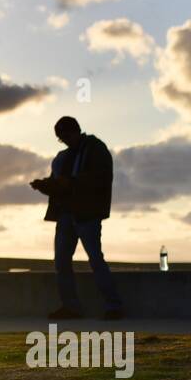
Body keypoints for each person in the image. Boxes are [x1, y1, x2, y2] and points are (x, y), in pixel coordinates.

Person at [30, 116, 123, 320]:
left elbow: (101, 177)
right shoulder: (62, 157)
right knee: (62, 262)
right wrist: (45, 185)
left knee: (95, 259)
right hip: (65, 215)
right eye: (61, 137)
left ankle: (113, 306)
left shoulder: (96, 148)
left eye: (66, 135)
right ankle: (71, 307)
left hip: (87, 215)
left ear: (75, 131)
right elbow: (58, 184)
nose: (64, 140)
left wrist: (69, 183)